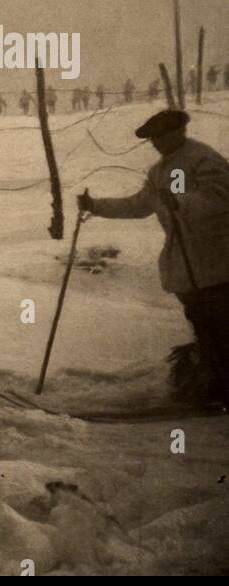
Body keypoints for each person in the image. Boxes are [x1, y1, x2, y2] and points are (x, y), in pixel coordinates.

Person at [78, 110, 229, 403]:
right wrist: (95, 205)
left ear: (177, 132)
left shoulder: (203, 159)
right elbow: (139, 205)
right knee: (203, 323)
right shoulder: (159, 171)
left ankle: (220, 387)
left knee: (219, 324)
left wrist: (182, 202)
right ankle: (214, 383)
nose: (155, 143)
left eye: (159, 137)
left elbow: (221, 197)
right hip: (187, 265)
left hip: (217, 259)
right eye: (152, 139)